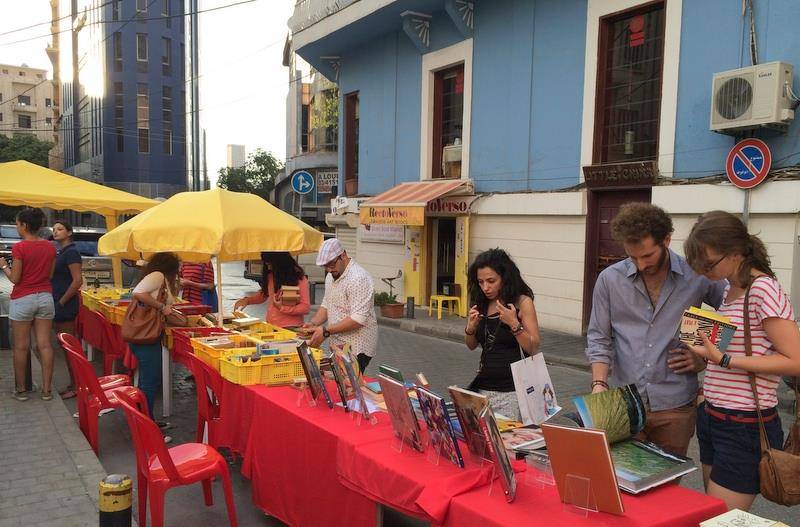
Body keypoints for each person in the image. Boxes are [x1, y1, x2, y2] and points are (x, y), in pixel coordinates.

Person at [586, 202, 726, 456]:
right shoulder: (609, 279)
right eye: (632, 257)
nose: (640, 265)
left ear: (667, 240)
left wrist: (705, 357)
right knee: (621, 476)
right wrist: (599, 384)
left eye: (647, 256)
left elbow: (734, 312)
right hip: (622, 401)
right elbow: (599, 338)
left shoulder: (696, 274)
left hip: (676, 404)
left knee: (668, 479)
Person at [683, 210, 800, 511]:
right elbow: (749, 345)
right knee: (713, 514)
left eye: (709, 264)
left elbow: (795, 360)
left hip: (744, 424)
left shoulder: (763, 289)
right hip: (713, 415)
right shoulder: (730, 288)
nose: (703, 272)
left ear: (736, 252)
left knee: (719, 520)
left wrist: (726, 359)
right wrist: (706, 351)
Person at [464, 248, 541, 420]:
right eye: (481, 282)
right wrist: (470, 328)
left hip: (512, 392)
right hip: (483, 388)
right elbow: (471, 345)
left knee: (506, 437)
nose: (485, 287)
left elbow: (533, 346)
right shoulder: (481, 302)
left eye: (491, 281)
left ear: (505, 277)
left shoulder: (522, 302)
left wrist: (514, 324)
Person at [1, 208, 57, 401]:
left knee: (21, 347)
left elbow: (15, 278)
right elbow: (50, 274)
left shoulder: (20, 248)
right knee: (45, 345)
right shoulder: (50, 247)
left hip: (23, 298)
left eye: (17, 224)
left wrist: (4, 266)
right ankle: (47, 390)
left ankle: (21, 390)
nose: (17, 227)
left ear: (24, 225)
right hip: (45, 297)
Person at [302, 238, 378, 373]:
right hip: (338, 342)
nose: (328, 269)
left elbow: (358, 319)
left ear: (343, 255)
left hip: (357, 346)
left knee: (349, 383)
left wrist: (325, 331)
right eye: (325, 266)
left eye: (331, 264)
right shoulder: (331, 276)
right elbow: (327, 304)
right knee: (338, 380)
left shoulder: (358, 278)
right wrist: (313, 324)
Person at [130, 252, 180, 427]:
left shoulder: (158, 278)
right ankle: (146, 424)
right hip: (146, 336)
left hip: (145, 335)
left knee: (147, 380)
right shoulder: (157, 276)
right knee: (150, 381)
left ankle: (144, 418)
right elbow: (138, 293)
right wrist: (161, 306)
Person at [233, 252, 311, 328]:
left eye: (270, 265)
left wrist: (282, 308)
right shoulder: (270, 276)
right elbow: (264, 295)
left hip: (291, 327)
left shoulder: (299, 279)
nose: (269, 268)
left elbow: (305, 307)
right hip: (272, 325)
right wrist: (247, 300)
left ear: (280, 263)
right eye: (267, 265)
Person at [51, 220, 83, 399]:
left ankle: (77, 385)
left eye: (60, 229)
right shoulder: (61, 252)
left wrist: (62, 302)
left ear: (69, 232)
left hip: (65, 304)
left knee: (69, 346)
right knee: (65, 346)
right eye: (54, 229)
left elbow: (77, 280)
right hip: (58, 302)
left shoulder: (71, 252)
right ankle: (74, 383)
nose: (55, 232)